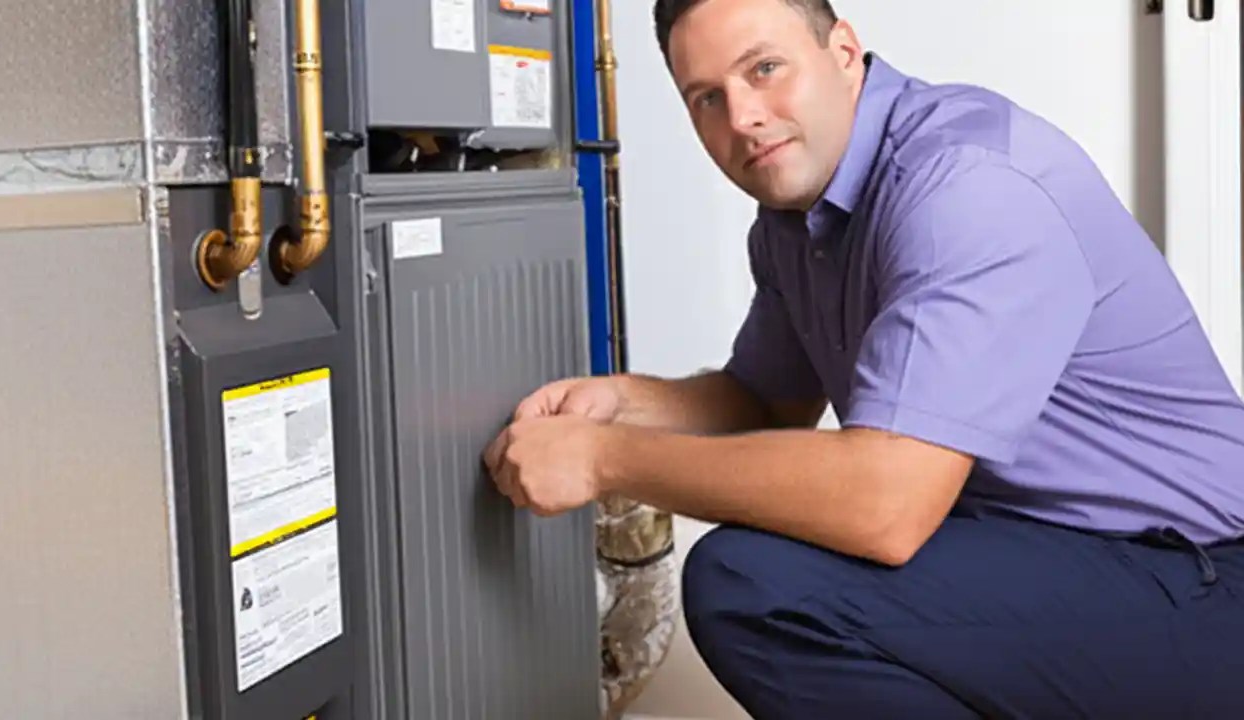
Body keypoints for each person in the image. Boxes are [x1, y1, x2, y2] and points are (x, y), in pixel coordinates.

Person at [482, 0, 1244, 716]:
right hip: (1050, 551)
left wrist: (605, 459)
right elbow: (761, 402)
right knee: (762, 570)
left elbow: (885, 507)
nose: (743, 117)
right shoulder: (795, 215)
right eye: (706, 98)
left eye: (764, 69)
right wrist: (619, 402)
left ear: (843, 52)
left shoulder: (965, 187)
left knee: (754, 584)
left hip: (1199, 580)